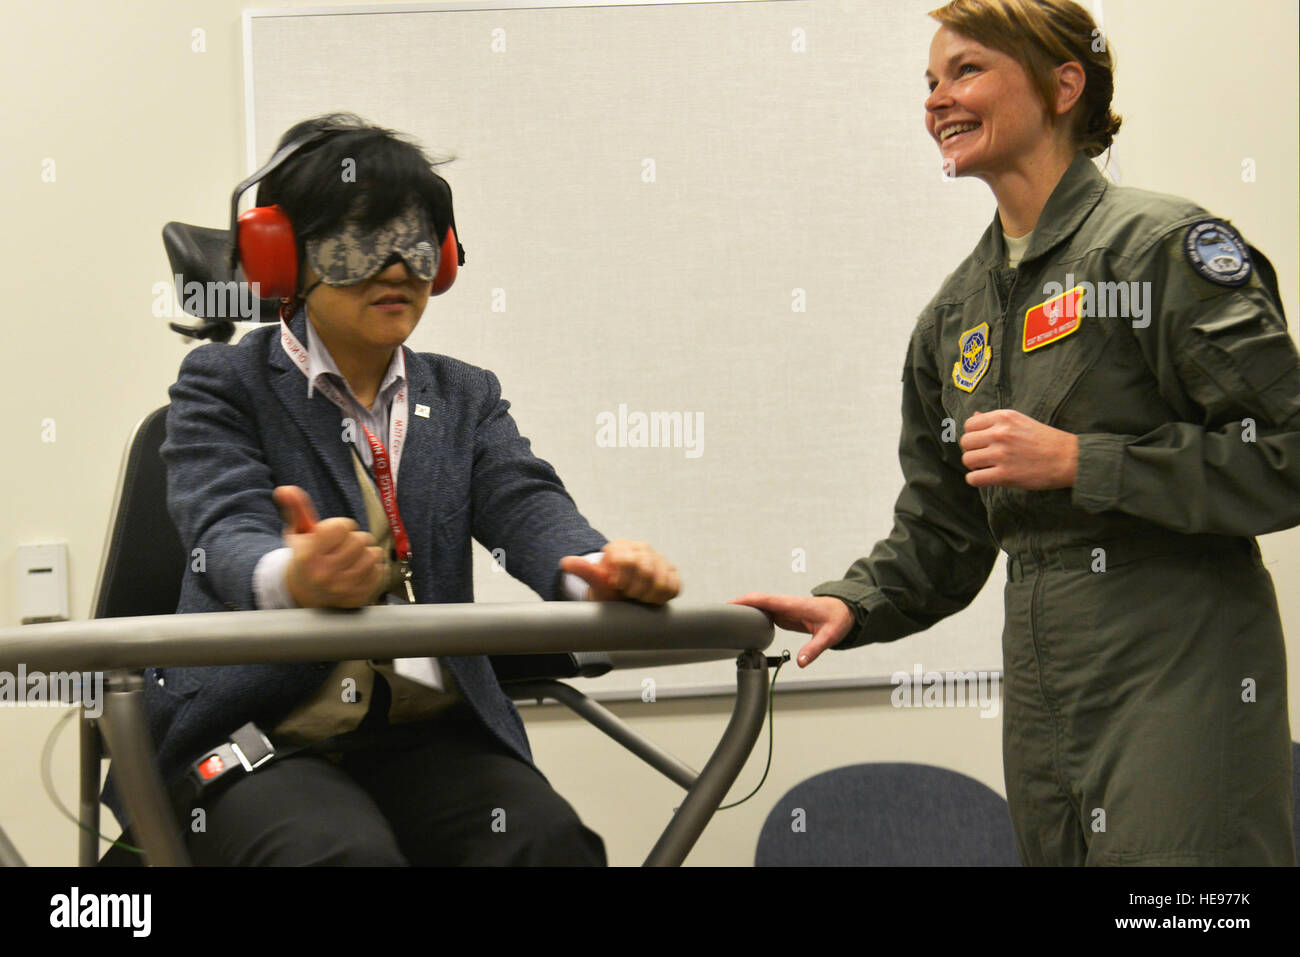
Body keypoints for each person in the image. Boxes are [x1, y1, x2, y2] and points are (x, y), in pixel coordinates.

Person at [734, 0, 1300, 865]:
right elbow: (944, 530)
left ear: (1064, 85)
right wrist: (855, 601)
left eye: (966, 71)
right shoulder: (954, 315)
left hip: (1179, 663)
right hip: (1040, 688)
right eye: (929, 81)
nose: (936, 99)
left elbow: (1285, 454)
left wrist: (1083, 462)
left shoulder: (1160, 248)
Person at [103, 113, 680, 865]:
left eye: (414, 242)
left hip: (424, 729)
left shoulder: (465, 395)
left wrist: (592, 570)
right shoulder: (223, 385)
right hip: (259, 731)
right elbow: (224, 525)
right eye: (358, 241)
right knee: (340, 855)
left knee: (546, 844)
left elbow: (528, 506)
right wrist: (292, 575)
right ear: (282, 260)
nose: (397, 269)